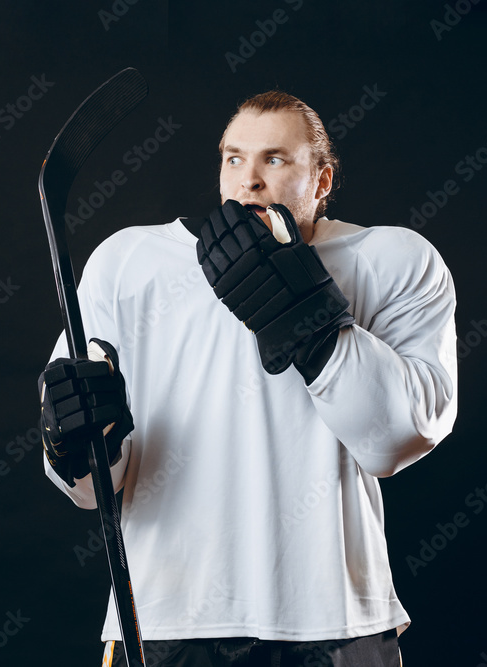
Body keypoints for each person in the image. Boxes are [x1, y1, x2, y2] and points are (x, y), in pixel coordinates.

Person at [37, 90, 458, 667]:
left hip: (334, 620)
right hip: (162, 621)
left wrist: (304, 314)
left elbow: (396, 440)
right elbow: (91, 490)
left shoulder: (393, 260)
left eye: (275, 160)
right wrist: (78, 443)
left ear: (323, 180)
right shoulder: (128, 262)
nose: (249, 181)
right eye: (233, 159)